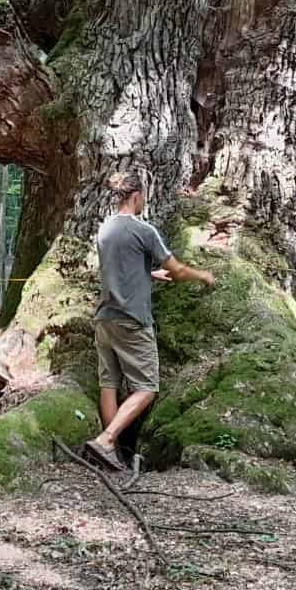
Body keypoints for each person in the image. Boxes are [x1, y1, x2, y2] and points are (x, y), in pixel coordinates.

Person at [85, 171, 216, 471]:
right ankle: (106, 440)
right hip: (131, 320)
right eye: (143, 197)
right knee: (147, 387)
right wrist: (202, 275)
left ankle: (112, 454)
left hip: (104, 319)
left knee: (109, 384)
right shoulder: (144, 230)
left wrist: (148, 274)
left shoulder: (105, 229)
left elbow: (119, 268)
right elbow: (178, 270)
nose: (144, 201)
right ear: (136, 196)